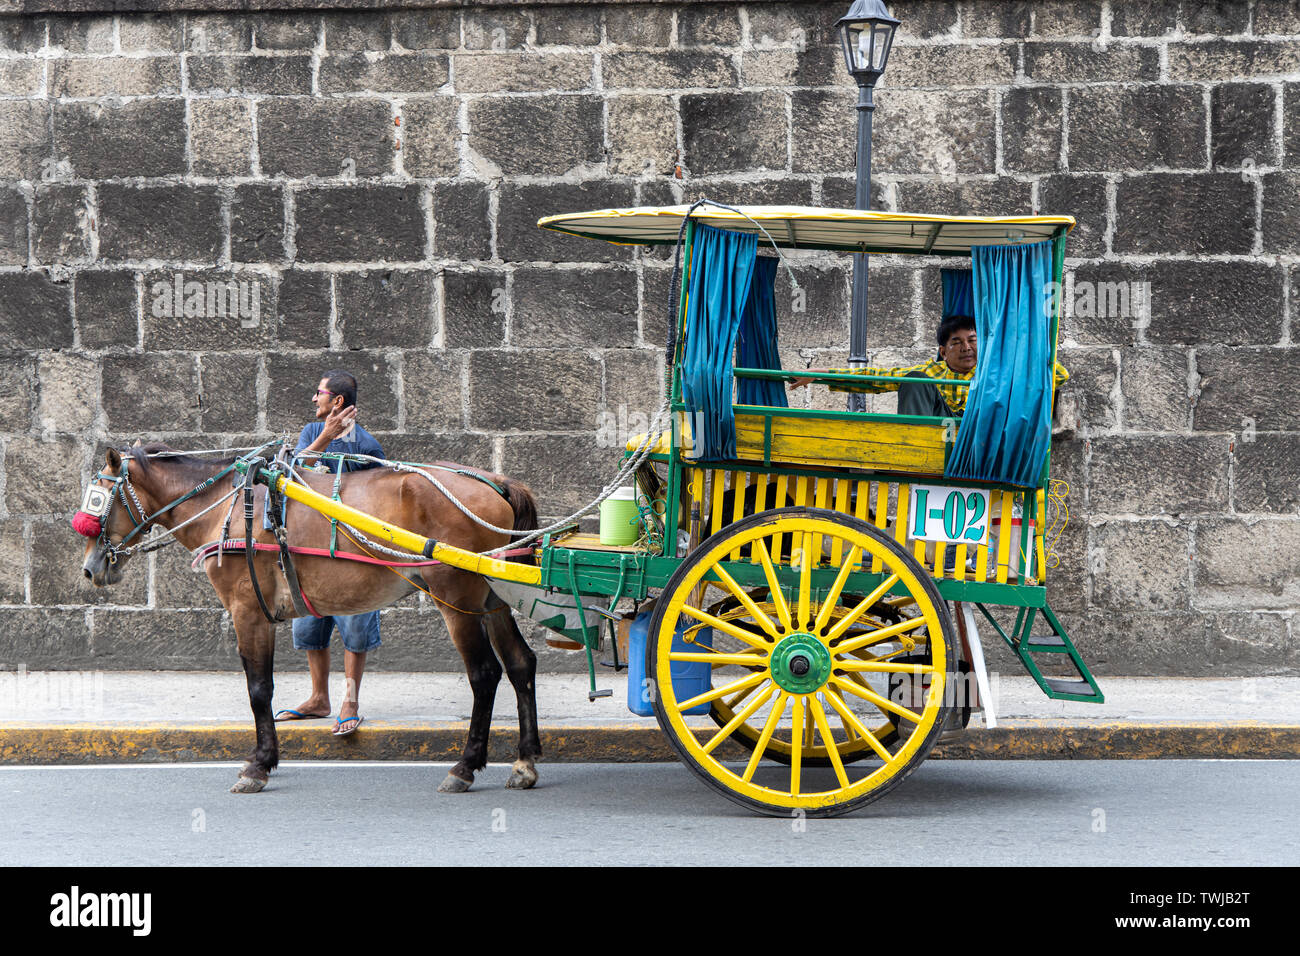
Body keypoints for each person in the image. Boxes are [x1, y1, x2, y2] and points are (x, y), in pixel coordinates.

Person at [273, 369, 386, 736]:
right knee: (310, 624)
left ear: (337, 401)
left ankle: (349, 701)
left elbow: (377, 501)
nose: (314, 399)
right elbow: (290, 473)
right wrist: (324, 437)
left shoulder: (367, 448)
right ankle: (319, 698)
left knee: (355, 626)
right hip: (311, 550)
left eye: (319, 393)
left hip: (352, 554)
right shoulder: (311, 433)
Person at [788, 314, 1068, 415]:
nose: (967, 347)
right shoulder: (933, 371)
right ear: (943, 352)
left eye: (972, 340)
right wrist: (821, 374)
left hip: (979, 434)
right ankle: (913, 441)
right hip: (936, 437)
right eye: (957, 342)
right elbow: (876, 377)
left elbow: (1057, 375)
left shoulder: (996, 370)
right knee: (914, 378)